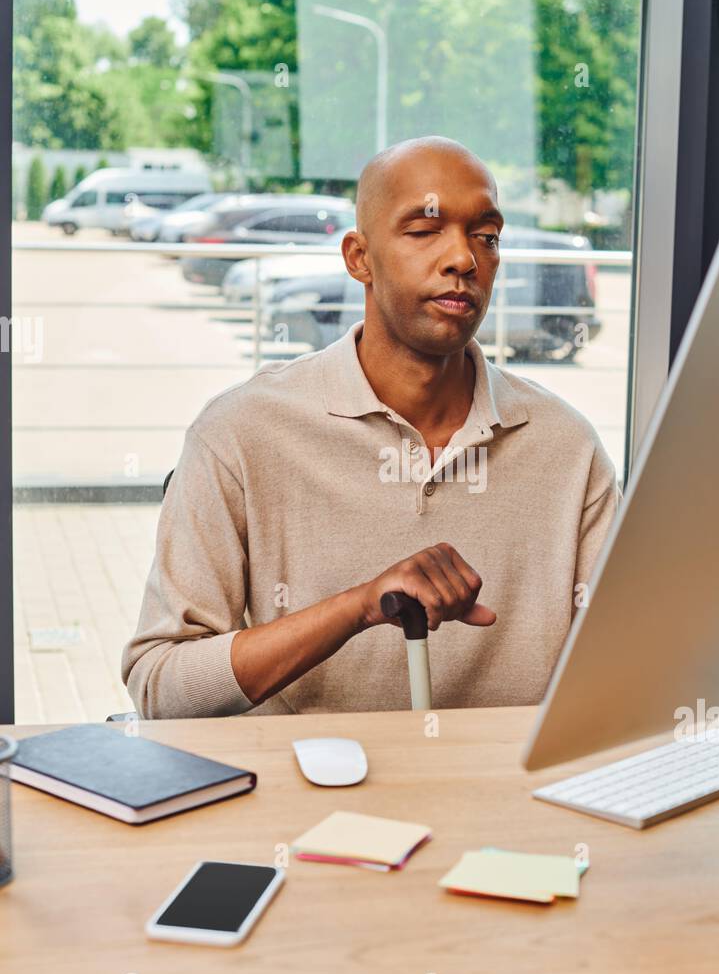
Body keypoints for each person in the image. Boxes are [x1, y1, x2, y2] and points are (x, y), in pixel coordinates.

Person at [121, 136, 619, 719]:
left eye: (485, 236)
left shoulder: (567, 446)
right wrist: (360, 607)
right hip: (311, 798)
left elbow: (626, 677)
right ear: (359, 258)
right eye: (424, 230)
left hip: (505, 801)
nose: (464, 258)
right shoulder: (241, 431)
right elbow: (162, 688)